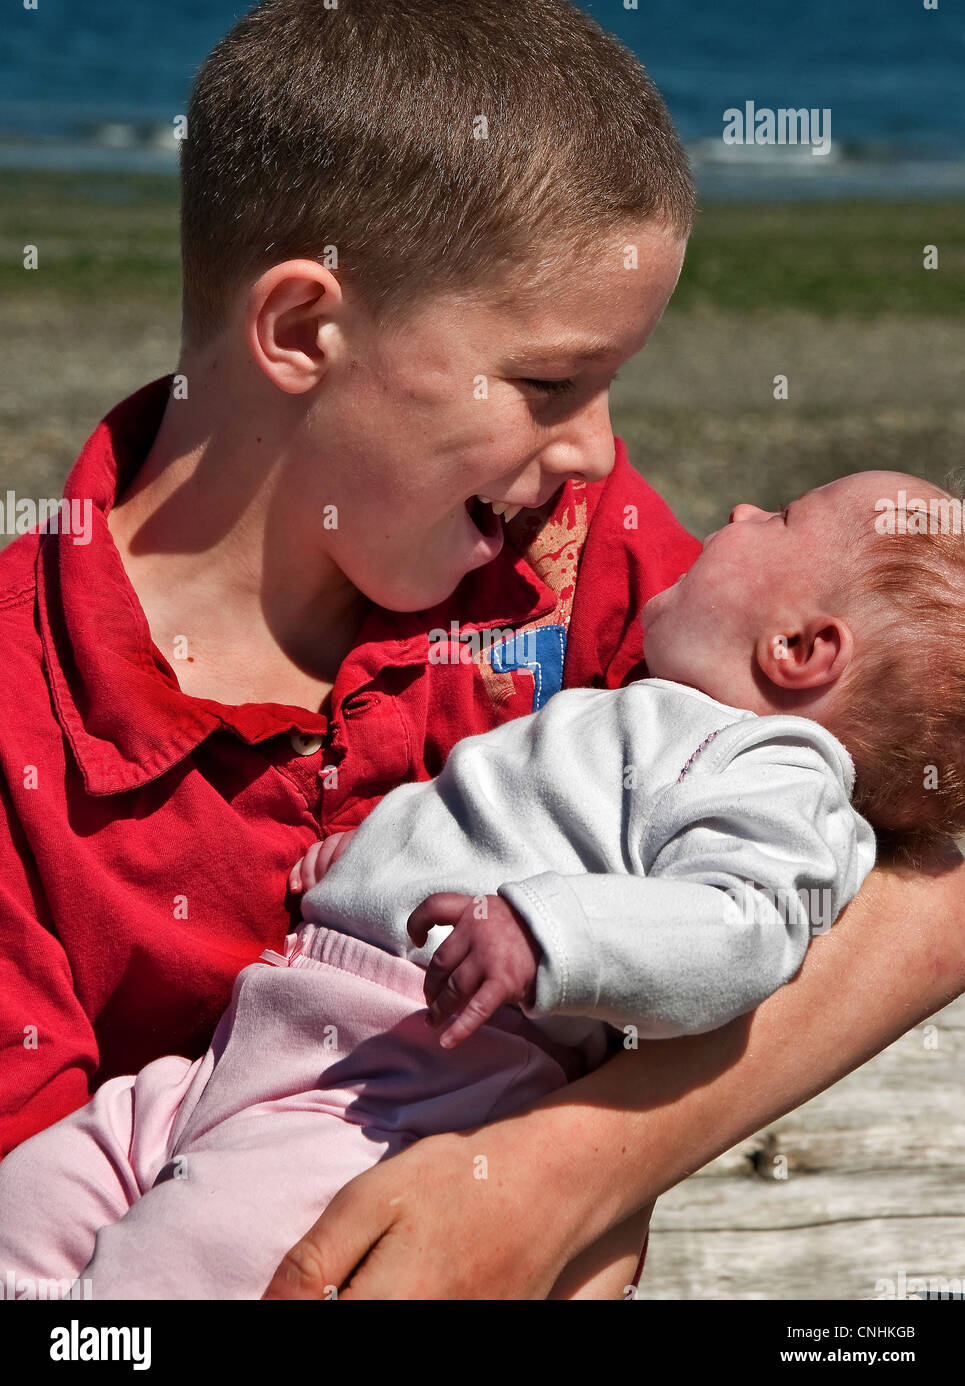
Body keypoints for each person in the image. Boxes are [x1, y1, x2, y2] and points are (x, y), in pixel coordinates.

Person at [1, 0, 963, 1302]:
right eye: (550, 383)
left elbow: (930, 880)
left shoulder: (573, 557)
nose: (595, 451)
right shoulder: (22, 708)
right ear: (299, 330)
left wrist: (571, 1168)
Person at [2, 469, 963, 1301]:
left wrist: (551, 936)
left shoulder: (776, 773)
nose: (744, 509)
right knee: (36, 1196)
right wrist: (380, 857)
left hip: (392, 1099)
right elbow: (506, 812)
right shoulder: (654, 710)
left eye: (781, 520)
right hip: (249, 1055)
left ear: (799, 651)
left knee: (186, 1262)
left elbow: (744, 926)